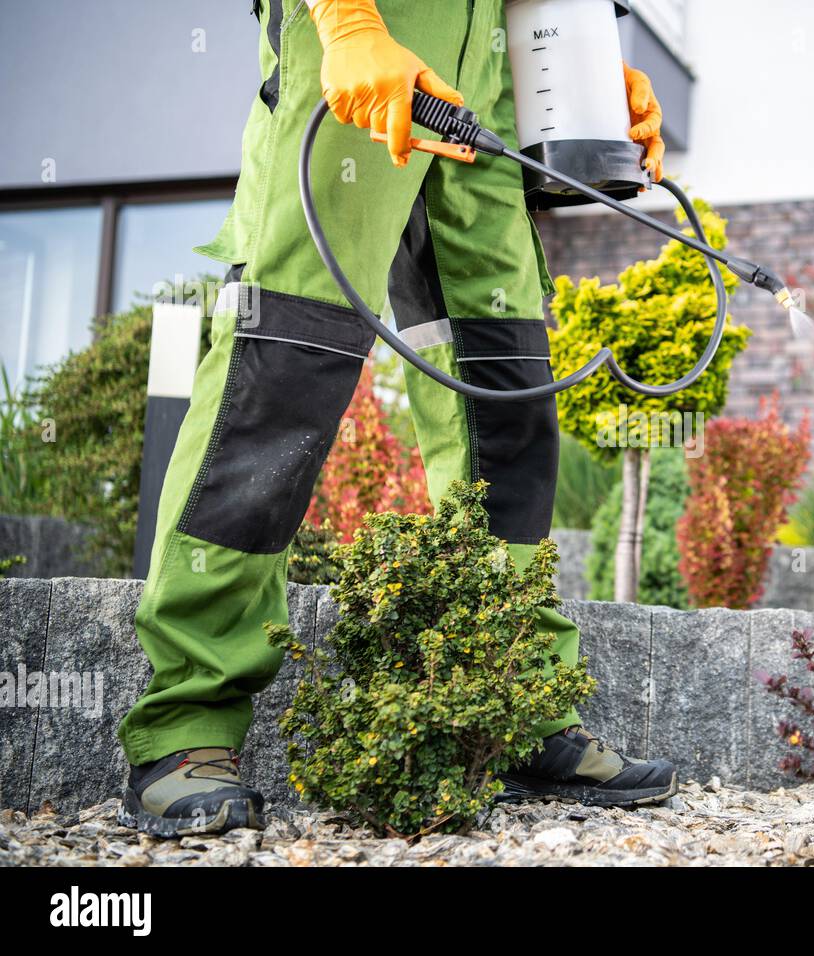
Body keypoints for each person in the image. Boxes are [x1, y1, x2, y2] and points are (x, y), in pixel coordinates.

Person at [116, 0, 675, 838]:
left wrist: (585, 69)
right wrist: (345, 24)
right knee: (288, 358)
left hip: (495, 53)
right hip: (371, 22)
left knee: (505, 378)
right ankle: (187, 721)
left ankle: (513, 698)